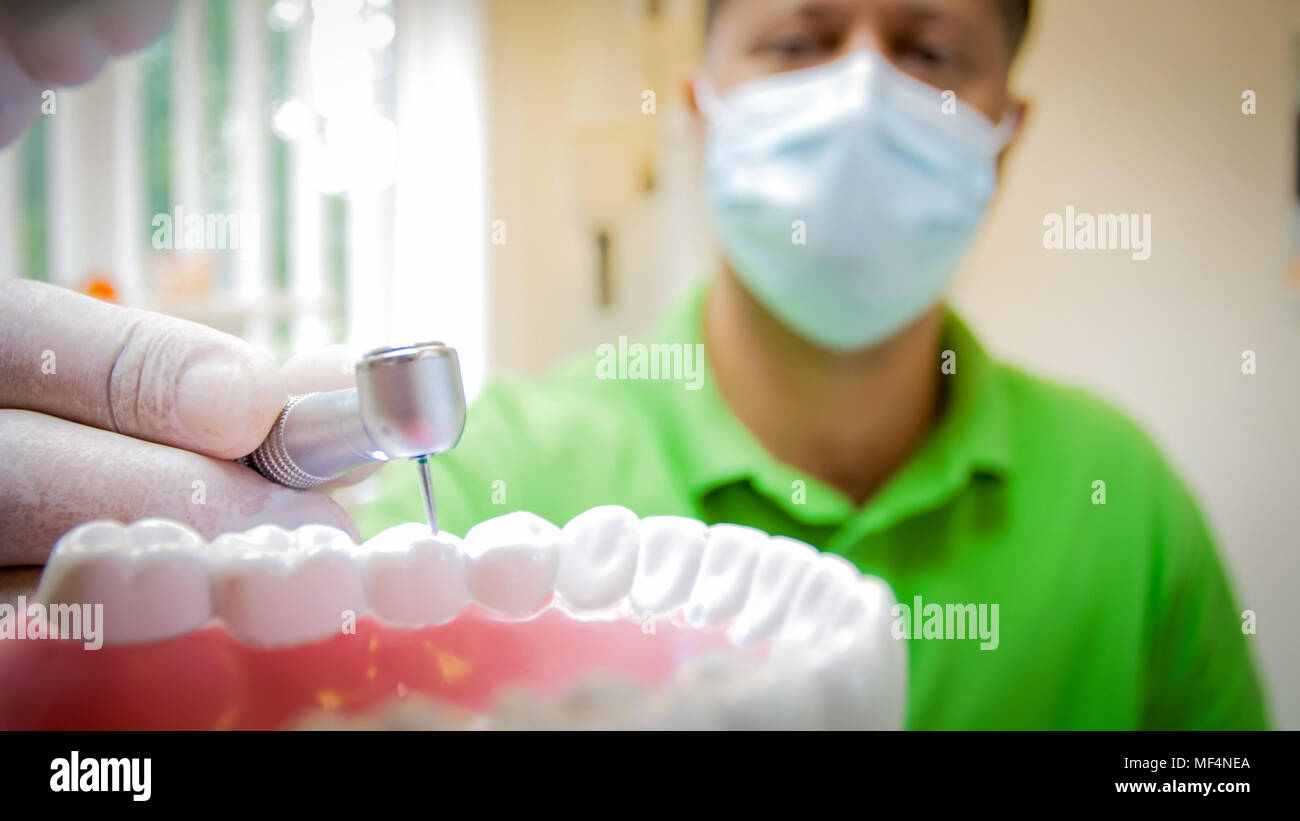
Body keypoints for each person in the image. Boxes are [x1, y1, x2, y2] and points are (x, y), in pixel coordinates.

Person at [0, 0, 1268, 729]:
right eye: (800, 38)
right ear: (696, 98)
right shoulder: (494, 478)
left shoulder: (1131, 502)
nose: (863, 92)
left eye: (930, 50)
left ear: (1006, 129)